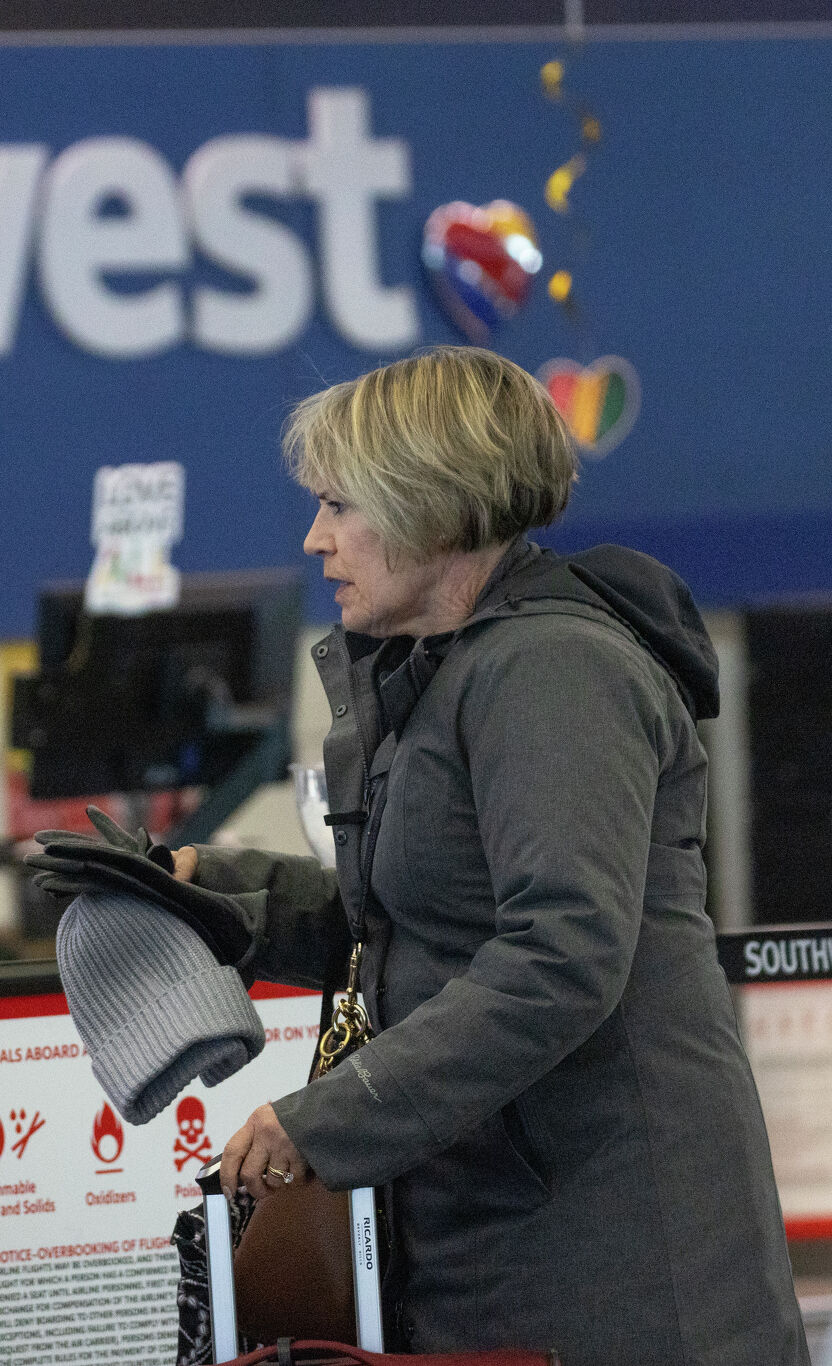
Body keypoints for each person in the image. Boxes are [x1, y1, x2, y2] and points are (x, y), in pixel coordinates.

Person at [195, 346, 806, 1362]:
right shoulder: (448, 671)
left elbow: (561, 956)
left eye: (340, 505)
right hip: (509, 1233)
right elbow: (405, 919)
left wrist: (329, 1120)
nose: (314, 538)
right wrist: (205, 891)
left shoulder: (551, 670)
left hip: (618, 1263)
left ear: (430, 505)